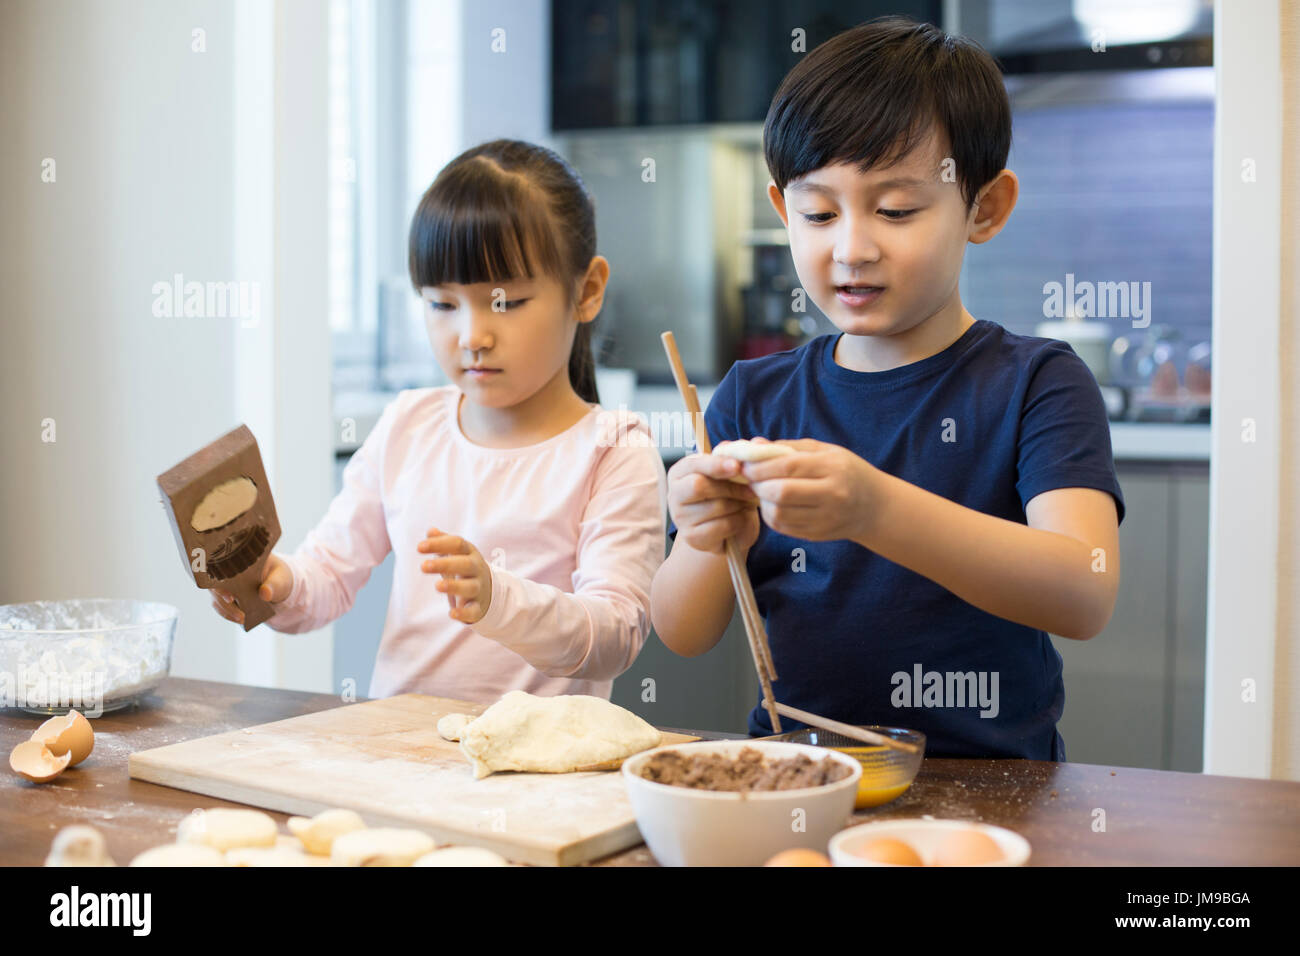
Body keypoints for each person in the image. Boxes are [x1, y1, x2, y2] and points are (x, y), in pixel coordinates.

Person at [651, 17, 1125, 759]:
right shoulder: (752, 396)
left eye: (897, 210)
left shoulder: (1037, 382)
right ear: (784, 212)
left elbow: (1085, 590)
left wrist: (873, 507)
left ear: (985, 207)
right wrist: (707, 541)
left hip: (994, 791)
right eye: (818, 213)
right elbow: (684, 632)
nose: (852, 248)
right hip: (799, 778)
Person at [213, 139, 667, 705]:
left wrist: (498, 599)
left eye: (505, 302)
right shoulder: (408, 424)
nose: (472, 336)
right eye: (442, 305)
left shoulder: (614, 452)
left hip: (539, 776)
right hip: (397, 758)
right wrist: (277, 589)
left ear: (587, 290)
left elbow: (615, 633)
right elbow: (329, 572)